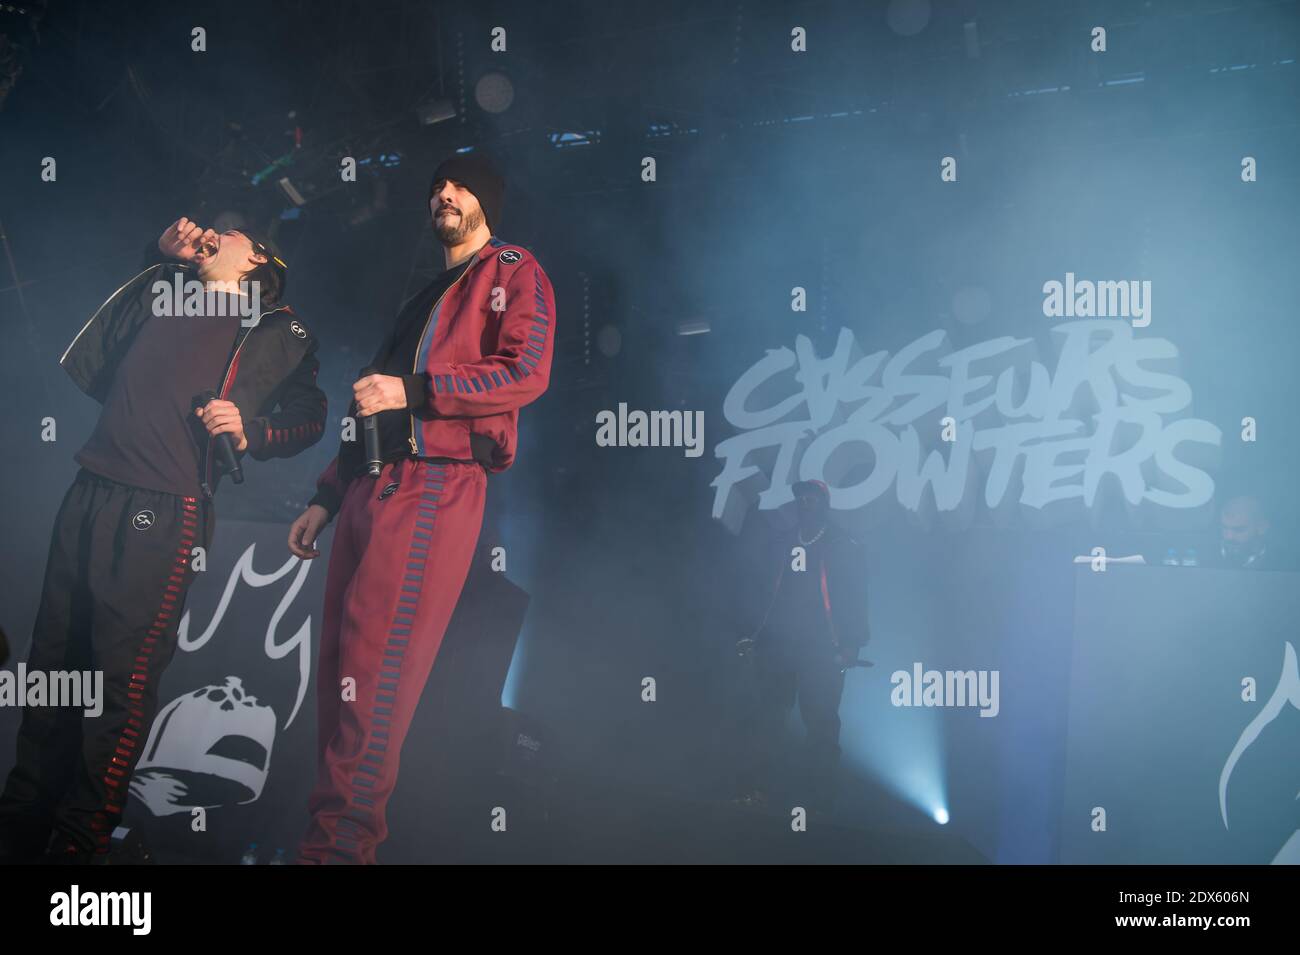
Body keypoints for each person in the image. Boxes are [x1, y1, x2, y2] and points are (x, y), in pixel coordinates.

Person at [0, 219, 328, 863]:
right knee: (52, 668)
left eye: (224, 234)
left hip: (166, 508)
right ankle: (21, 817)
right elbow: (96, 343)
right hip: (90, 487)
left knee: (118, 681)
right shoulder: (165, 289)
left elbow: (311, 416)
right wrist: (157, 257)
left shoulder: (279, 330)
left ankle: (80, 835)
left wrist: (251, 429)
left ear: (259, 257)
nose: (208, 236)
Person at [288, 152, 556, 864]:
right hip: (368, 487)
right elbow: (368, 402)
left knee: (376, 680)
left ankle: (337, 853)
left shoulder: (513, 269)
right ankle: (327, 844)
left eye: (460, 184)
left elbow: (525, 371)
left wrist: (416, 388)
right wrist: (326, 493)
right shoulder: (428, 293)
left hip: (436, 479)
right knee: (341, 676)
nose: (443, 192)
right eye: (437, 183)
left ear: (486, 202)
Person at [734, 479, 870, 816]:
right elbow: (763, 592)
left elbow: (856, 597)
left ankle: (818, 804)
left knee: (821, 725)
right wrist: (750, 634)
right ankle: (758, 792)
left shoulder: (843, 545)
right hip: (778, 644)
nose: (805, 503)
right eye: (801, 498)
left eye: (812, 498)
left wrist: (851, 643)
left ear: (824, 504)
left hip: (822, 648)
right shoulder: (780, 543)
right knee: (766, 720)